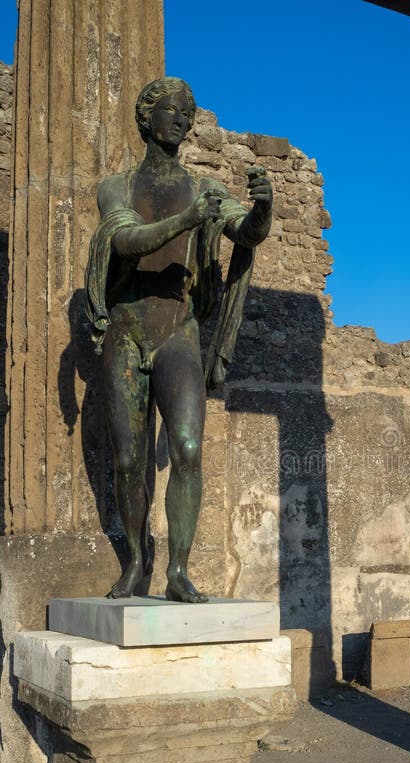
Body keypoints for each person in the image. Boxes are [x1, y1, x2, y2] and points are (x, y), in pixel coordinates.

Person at [85, 76, 272, 602]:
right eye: (172, 110)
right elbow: (125, 241)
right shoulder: (117, 188)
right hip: (126, 329)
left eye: (189, 113)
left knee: (188, 448)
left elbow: (245, 232)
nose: (183, 120)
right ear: (146, 117)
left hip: (177, 330)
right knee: (127, 457)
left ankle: (179, 569)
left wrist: (262, 209)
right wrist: (185, 220)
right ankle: (137, 561)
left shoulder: (206, 189)